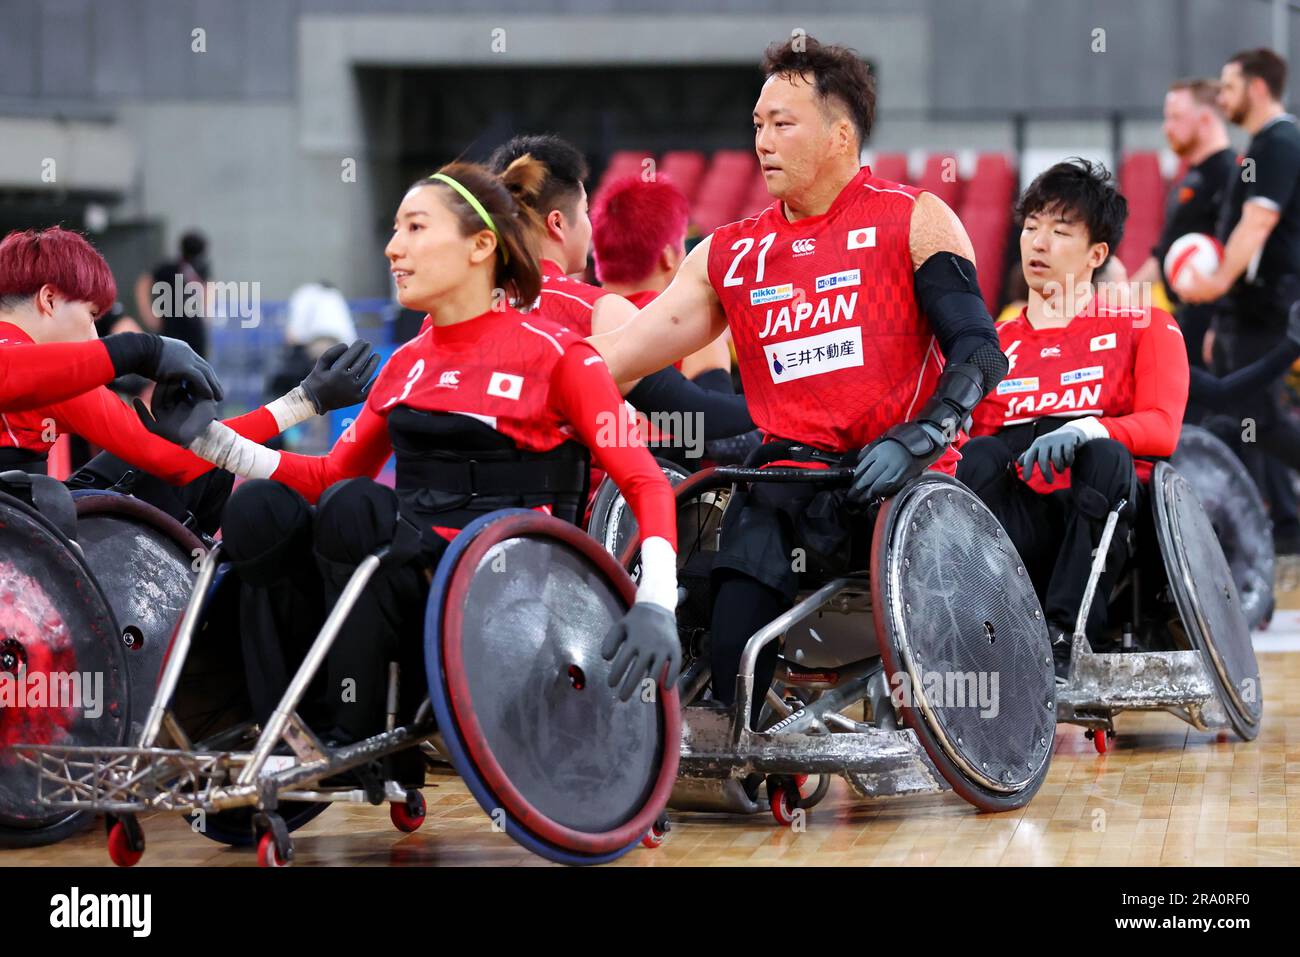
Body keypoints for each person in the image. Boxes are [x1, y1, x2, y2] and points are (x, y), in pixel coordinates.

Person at [142, 158, 682, 743]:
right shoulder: (406, 362)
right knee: (258, 510)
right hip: (400, 577)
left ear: (480, 246)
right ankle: (282, 729)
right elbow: (327, 474)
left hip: (506, 593)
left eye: (416, 228)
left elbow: (646, 481)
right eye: (395, 229)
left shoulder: (563, 356)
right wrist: (206, 437)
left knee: (355, 510)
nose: (394, 248)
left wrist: (655, 601)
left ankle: (354, 730)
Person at [592, 36, 1008, 721]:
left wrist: (922, 436)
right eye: (757, 125)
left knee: (789, 513)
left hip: (899, 485)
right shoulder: (729, 253)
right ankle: (729, 720)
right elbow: (621, 358)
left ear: (841, 135)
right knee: (733, 544)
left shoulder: (913, 219)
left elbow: (980, 352)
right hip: (788, 482)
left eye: (783, 124)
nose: (762, 141)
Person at [961, 159, 1190, 679]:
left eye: (1059, 232)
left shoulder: (1144, 324)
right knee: (975, 457)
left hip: (1109, 527)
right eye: (1031, 228)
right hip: (1025, 525)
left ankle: (1067, 634)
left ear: (1097, 254)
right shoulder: (998, 343)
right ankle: (987, 625)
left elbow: (1163, 428)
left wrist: (1088, 426)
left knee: (1106, 453)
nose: (1038, 243)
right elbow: (974, 442)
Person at [0, 227, 376, 531]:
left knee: (188, 454)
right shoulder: (54, 378)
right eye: (93, 317)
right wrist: (139, 349)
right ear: (49, 300)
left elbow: (178, 458)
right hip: (21, 542)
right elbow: (177, 464)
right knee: (191, 465)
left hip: (28, 519)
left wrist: (303, 400)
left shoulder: (57, 378)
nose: (97, 337)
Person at [487, 135, 754, 459]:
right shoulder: (601, 313)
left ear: (599, 253)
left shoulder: (451, 312)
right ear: (670, 255)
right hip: (604, 502)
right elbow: (715, 435)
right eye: (583, 211)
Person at [1180, 49, 1300, 553]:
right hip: (1244, 311)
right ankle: (1259, 539)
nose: (1222, 96)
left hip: (1268, 308)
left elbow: (1259, 222)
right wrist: (1219, 315)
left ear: (1256, 88)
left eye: (1228, 87)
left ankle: (1267, 538)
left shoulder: (1280, 141)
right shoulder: (1259, 146)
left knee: (1257, 422)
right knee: (1244, 423)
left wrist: (1215, 285)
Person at [135, 229, 212, 357]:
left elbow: (207, 287)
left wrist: (206, 313)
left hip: (194, 327)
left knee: (199, 365)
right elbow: (143, 284)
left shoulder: (201, 268)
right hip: (171, 325)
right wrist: (148, 314)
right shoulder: (169, 269)